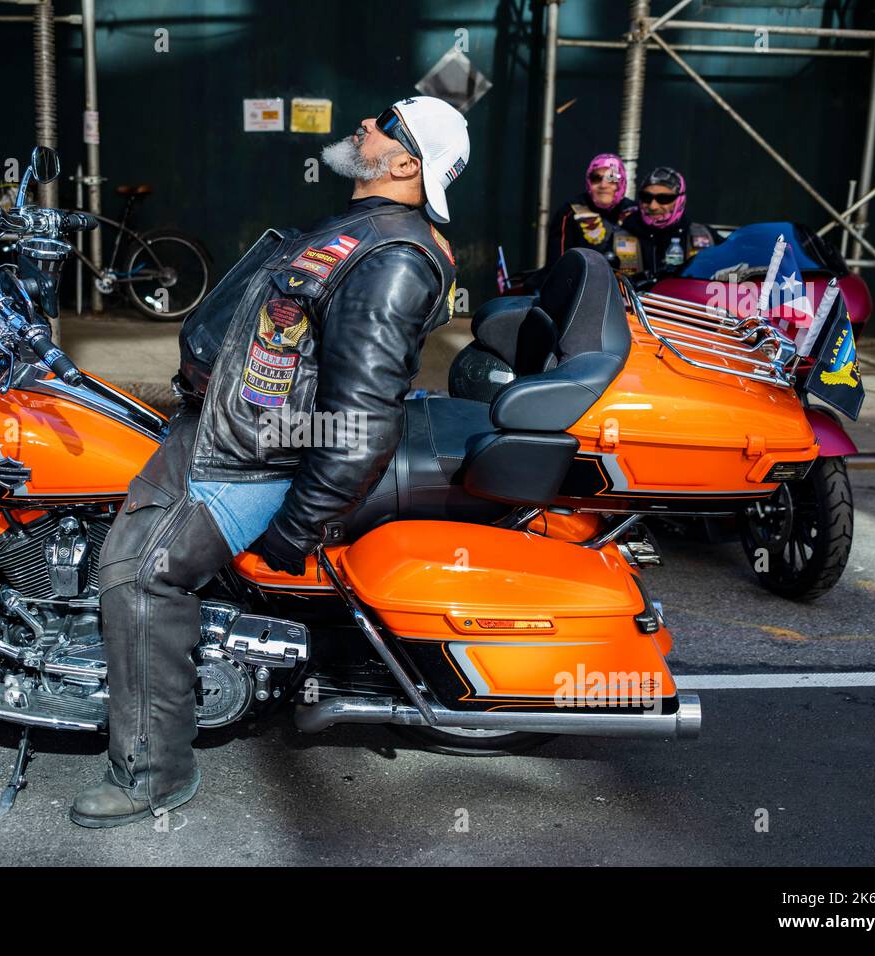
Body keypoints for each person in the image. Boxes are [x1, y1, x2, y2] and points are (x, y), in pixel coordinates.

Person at [70, 95, 467, 829]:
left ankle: (153, 773)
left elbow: (365, 414)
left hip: (248, 458)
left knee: (138, 576)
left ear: (408, 163)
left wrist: (301, 523)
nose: (367, 125)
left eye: (386, 123)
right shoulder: (358, 229)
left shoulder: (395, 257)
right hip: (219, 426)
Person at [544, 152, 638, 271]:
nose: (603, 185)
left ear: (622, 181)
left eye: (612, 178)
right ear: (589, 181)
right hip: (584, 284)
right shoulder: (570, 211)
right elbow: (557, 264)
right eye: (596, 178)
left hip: (629, 286)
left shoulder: (634, 211)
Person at [619, 165, 717, 277]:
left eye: (663, 199)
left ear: (680, 200)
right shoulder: (622, 233)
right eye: (646, 197)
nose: (653, 206)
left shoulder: (703, 235)